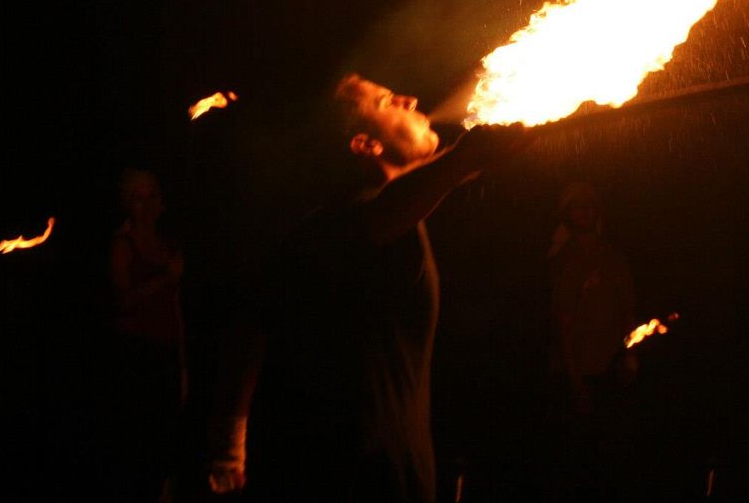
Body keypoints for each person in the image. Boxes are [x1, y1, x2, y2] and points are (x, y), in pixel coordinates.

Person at [241, 74, 521, 503]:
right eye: (389, 100)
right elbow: (379, 217)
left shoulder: (390, 219)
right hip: (341, 479)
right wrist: (463, 160)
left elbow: (405, 201)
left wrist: (468, 160)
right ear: (366, 145)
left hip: (390, 477)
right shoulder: (334, 226)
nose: (411, 97)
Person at [546, 180, 638, 499]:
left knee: (610, 464)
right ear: (567, 215)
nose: (583, 212)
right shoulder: (565, 262)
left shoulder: (613, 258)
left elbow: (627, 313)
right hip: (576, 377)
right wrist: (575, 383)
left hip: (609, 373)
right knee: (577, 466)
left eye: (588, 206)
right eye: (576, 206)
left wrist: (629, 358)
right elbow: (562, 327)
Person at [107, 168, 186, 502]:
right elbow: (122, 300)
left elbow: (175, 308)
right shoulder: (122, 244)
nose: (148, 202)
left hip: (165, 355)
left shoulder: (168, 246)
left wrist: (182, 364)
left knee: (166, 447)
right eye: (139, 196)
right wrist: (166, 277)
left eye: (152, 194)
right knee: (138, 448)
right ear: (128, 203)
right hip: (135, 356)